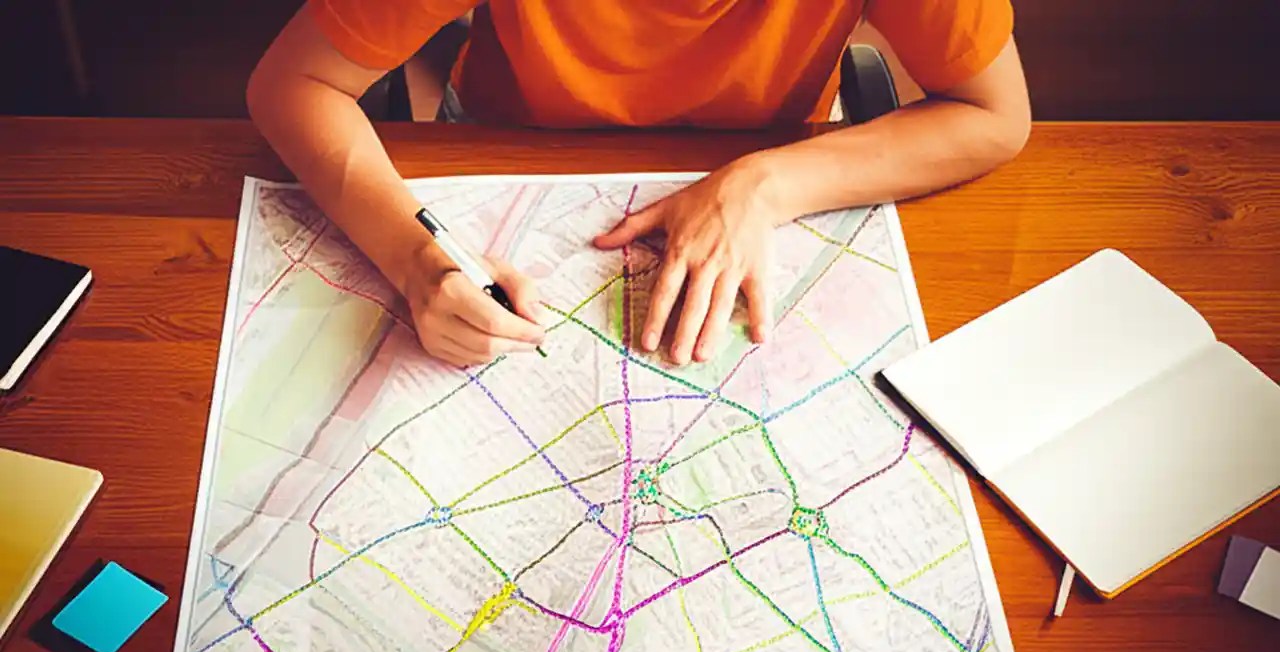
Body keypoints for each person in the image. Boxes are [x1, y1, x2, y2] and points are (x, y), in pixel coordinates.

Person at [247, 1, 1030, 368]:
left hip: (768, 158)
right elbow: (293, 85)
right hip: (512, 148)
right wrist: (418, 261)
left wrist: (764, 185)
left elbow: (996, 117)